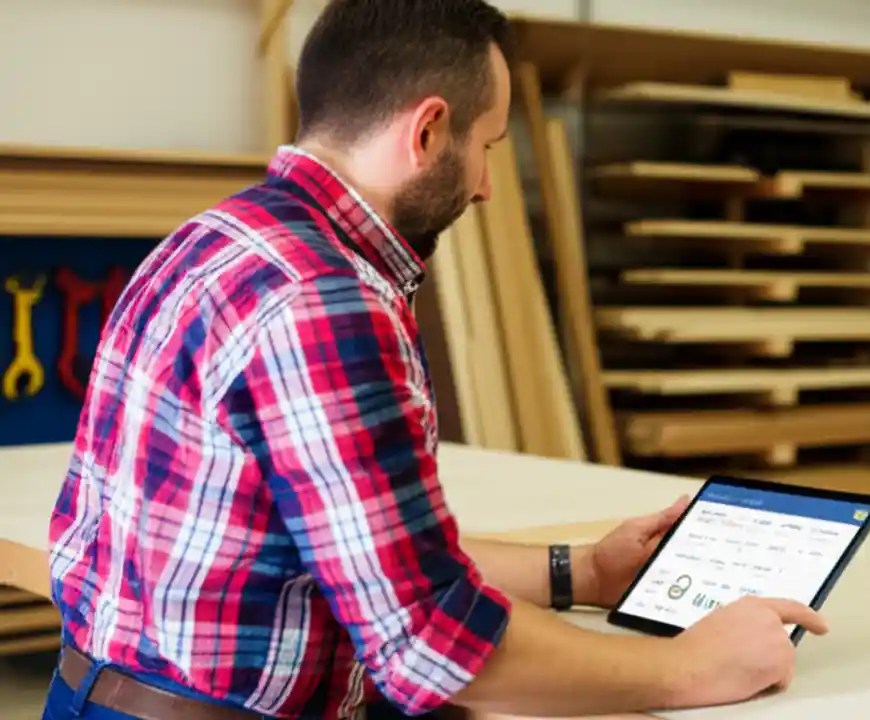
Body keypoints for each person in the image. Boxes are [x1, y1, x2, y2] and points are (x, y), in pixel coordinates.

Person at [42, 1, 827, 718]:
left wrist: (583, 572)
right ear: (426, 132)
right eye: (487, 146)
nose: (486, 188)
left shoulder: (218, 239)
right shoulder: (327, 300)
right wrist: (688, 668)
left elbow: (355, 551)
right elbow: (430, 644)